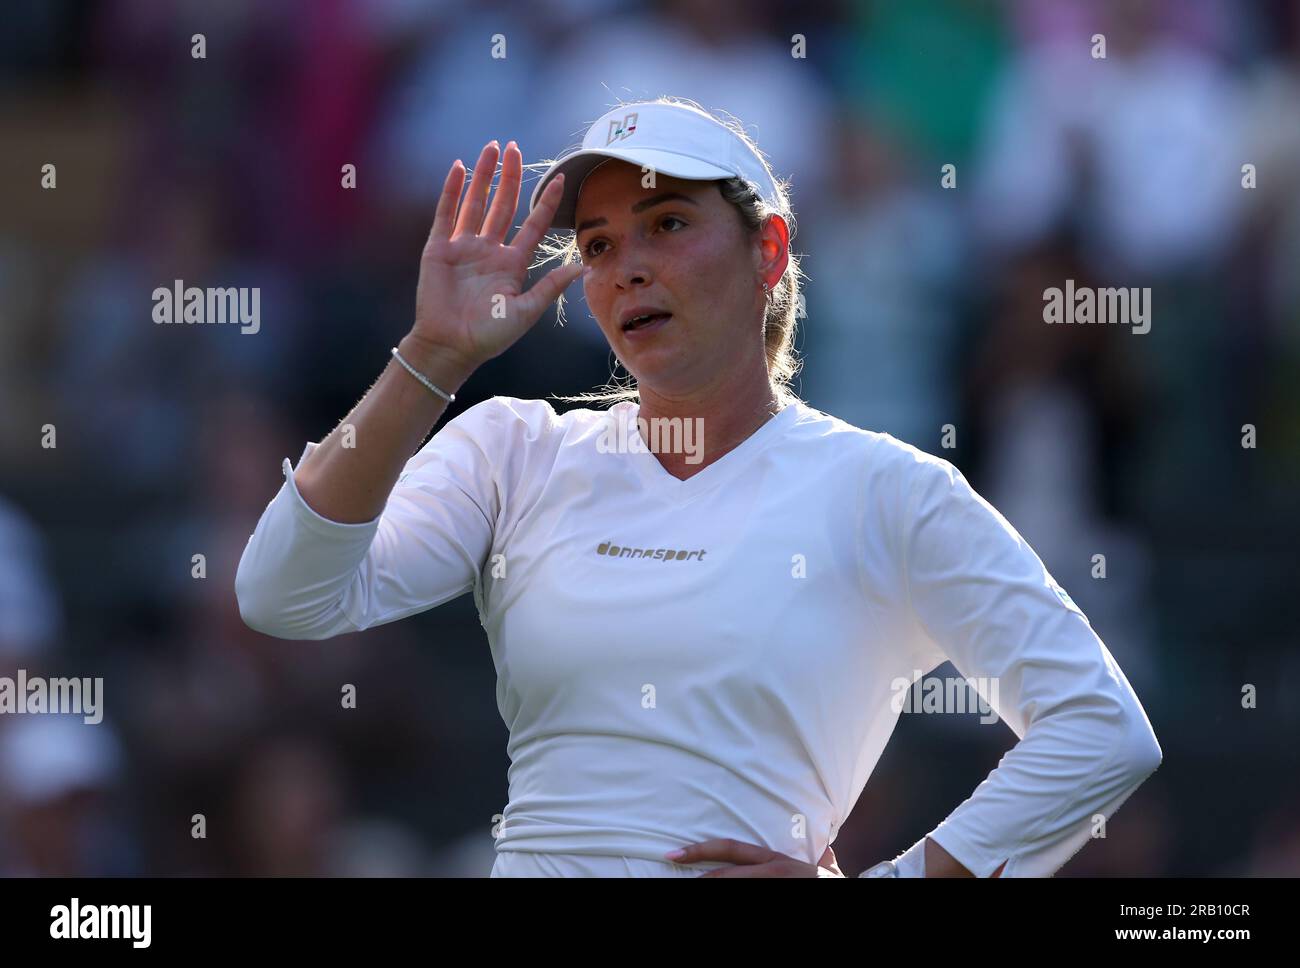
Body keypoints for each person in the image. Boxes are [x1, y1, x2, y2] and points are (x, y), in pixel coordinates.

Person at [234, 96, 1162, 878]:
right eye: (596, 246)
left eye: (668, 225)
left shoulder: (888, 489)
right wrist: (432, 354)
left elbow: (1100, 728)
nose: (627, 264)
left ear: (768, 252)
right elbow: (283, 594)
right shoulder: (513, 449)